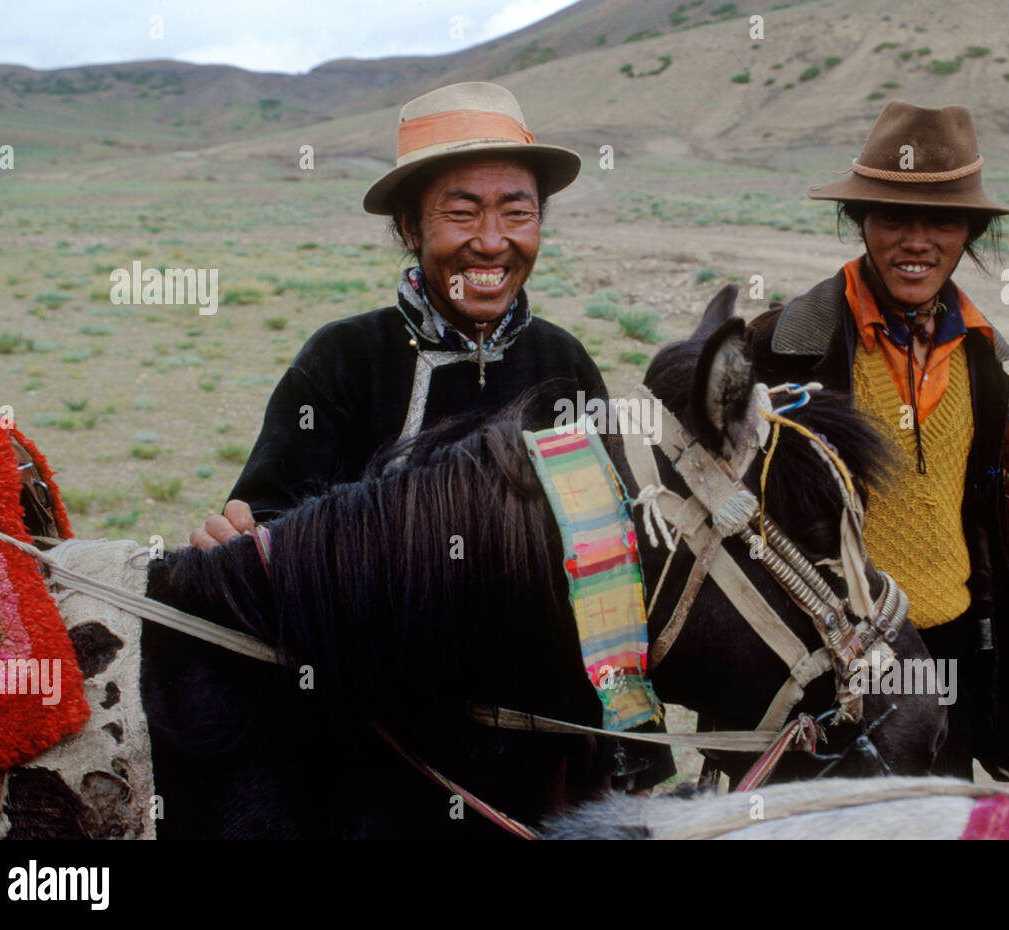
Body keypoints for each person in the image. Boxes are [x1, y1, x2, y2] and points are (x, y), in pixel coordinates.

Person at [190, 81, 672, 791]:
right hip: (383, 743)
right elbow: (271, 535)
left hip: (547, 738)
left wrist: (633, 745)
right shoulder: (343, 361)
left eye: (517, 211)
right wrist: (239, 548)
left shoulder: (564, 364)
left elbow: (613, 560)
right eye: (461, 212)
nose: (492, 241)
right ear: (410, 228)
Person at [746, 100, 1009, 778]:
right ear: (860, 222)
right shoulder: (788, 349)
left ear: (969, 231)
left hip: (953, 647)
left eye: (942, 219)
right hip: (829, 654)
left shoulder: (984, 358)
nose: (917, 241)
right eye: (893, 217)